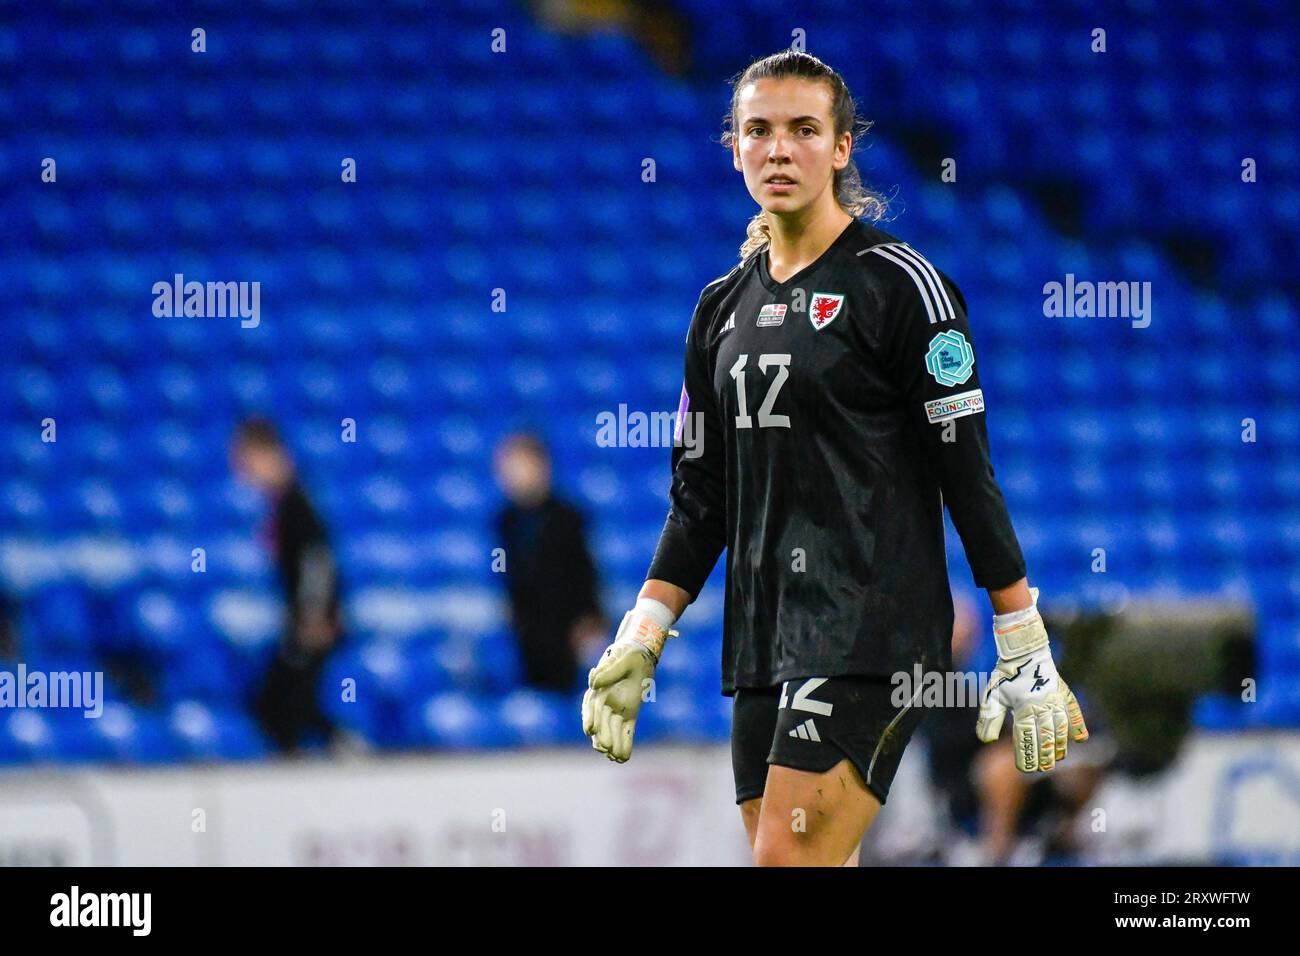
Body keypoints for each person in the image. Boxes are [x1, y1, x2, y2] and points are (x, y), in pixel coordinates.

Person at [581, 50, 1088, 867]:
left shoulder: (903, 287)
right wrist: (643, 633)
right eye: (759, 130)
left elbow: (968, 473)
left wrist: (1020, 635)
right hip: (762, 635)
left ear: (842, 148)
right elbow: (700, 495)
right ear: (733, 147)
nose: (779, 148)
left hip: (872, 629)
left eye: (803, 130)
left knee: (786, 860)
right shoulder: (717, 311)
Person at [230, 417, 342, 752]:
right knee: (284, 703)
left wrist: (313, 614)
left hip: (310, 621)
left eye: (246, 460)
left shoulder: (296, 503)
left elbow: (317, 561)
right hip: (300, 618)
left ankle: (340, 745)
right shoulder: (282, 504)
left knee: (284, 704)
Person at [494, 433, 606, 692]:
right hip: (525, 630)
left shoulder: (569, 518)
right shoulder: (504, 521)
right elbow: (501, 567)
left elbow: (586, 572)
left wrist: (590, 619)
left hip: (567, 627)